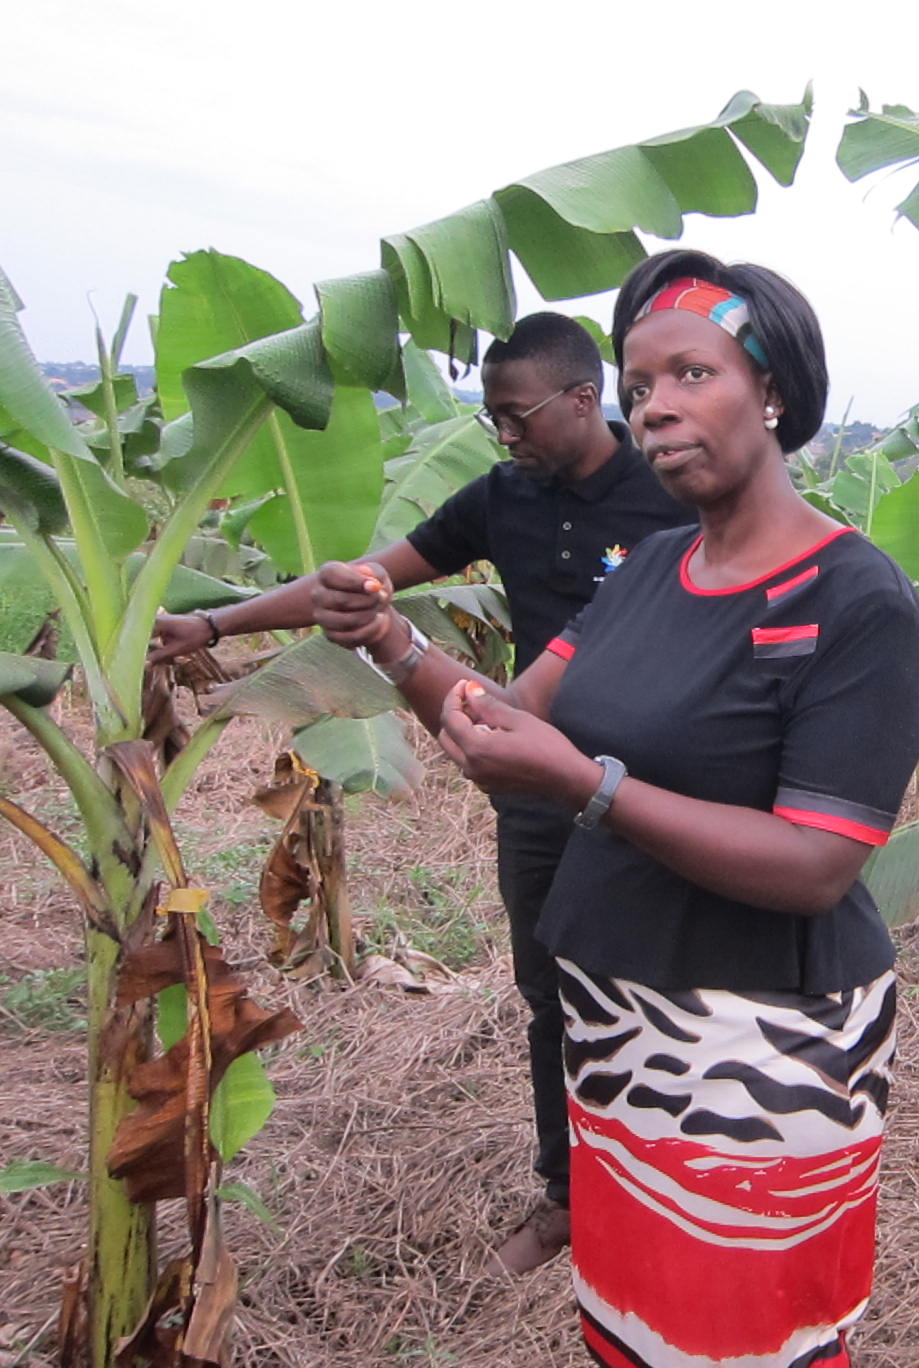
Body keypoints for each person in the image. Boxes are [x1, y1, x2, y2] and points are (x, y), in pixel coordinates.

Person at [309, 250, 919, 1368]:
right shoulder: (648, 570)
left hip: (762, 1044)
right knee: (635, 1324)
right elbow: (501, 720)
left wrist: (586, 786)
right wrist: (392, 641)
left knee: (746, 1334)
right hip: (617, 1025)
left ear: (775, 392)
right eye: (642, 387)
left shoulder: (855, 598)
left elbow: (814, 864)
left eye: (692, 374)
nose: (655, 410)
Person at [149, 312, 694, 1273]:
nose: (505, 435)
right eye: (491, 419)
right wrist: (215, 621)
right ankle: (568, 1195)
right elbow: (365, 584)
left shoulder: (672, 496)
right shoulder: (502, 497)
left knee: (661, 990)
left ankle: (674, 1185)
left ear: (581, 398)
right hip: (532, 781)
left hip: (657, 785)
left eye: (517, 415)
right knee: (548, 993)